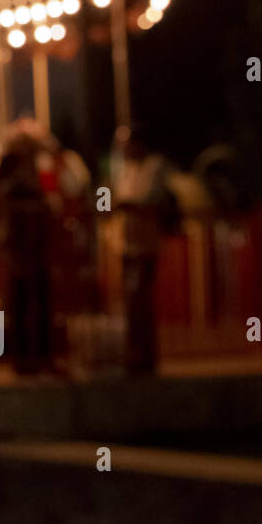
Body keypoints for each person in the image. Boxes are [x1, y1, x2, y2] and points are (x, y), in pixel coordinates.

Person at [111, 126, 172, 376]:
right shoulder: (126, 170)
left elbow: (150, 198)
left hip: (145, 245)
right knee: (131, 302)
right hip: (127, 244)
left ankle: (146, 356)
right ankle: (135, 354)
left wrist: (127, 204)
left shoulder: (155, 166)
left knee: (141, 301)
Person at [0, 125, 54, 374]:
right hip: (20, 243)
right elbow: (3, 197)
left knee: (38, 299)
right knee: (21, 299)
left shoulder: (43, 167)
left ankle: (41, 354)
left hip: (37, 244)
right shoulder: (10, 170)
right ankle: (23, 357)